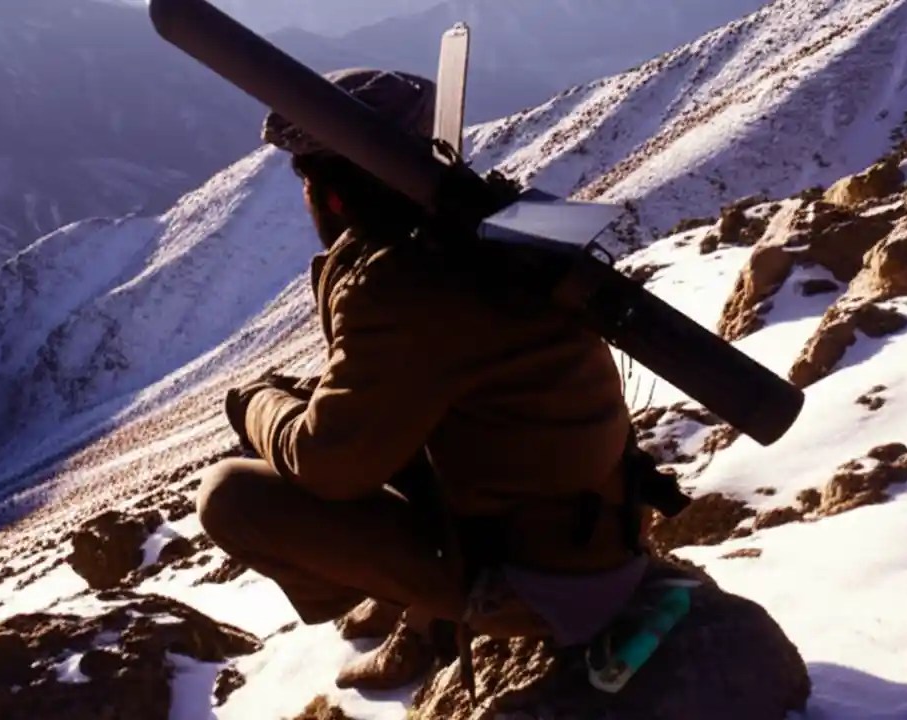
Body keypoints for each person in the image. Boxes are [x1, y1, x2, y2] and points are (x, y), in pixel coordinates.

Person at [195, 68, 652, 692]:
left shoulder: (405, 281)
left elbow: (325, 461)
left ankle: (436, 604)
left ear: (330, 193)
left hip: (545, 577)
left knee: (228, 495)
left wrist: (252, 403)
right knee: (330, 415)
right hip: (592, 521)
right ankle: (422, 604)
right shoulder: (491, 229)